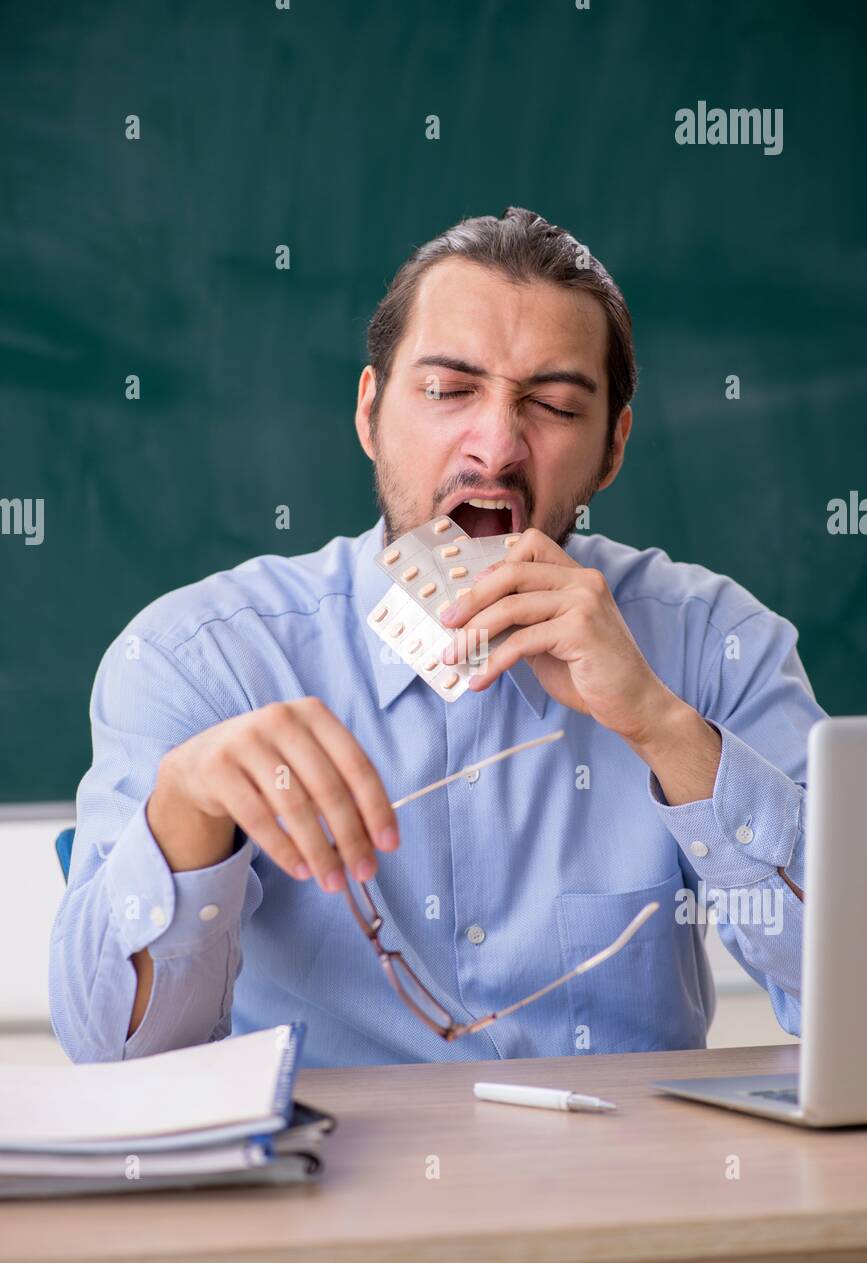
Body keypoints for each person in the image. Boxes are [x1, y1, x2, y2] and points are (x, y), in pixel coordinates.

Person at [50, 207, 821, 1066]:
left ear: (611, 450)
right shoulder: (197, 657)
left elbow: (851, 999)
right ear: (370, 412)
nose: (494, 448)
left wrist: (665, 731)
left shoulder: (719, 645)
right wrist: (186, 809)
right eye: (448, 391)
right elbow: (109, 1056)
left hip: (621, 1185)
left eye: (555, 405)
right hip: (322, 1187)